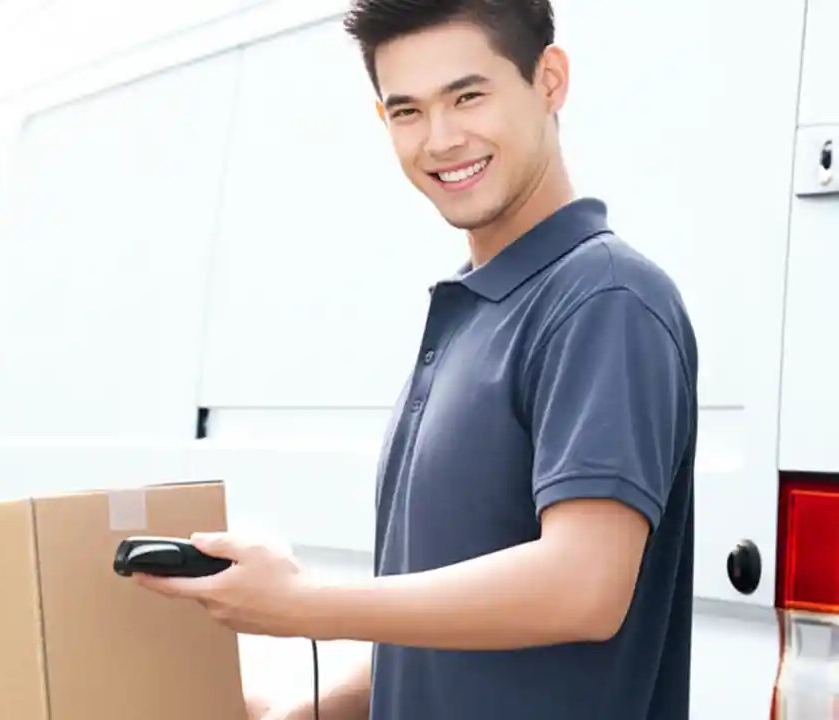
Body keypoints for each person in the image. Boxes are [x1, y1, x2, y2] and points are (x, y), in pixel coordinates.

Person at [135, 0, 698, 718]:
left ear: (549, 80)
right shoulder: (475, 315)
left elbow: (582, 587)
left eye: (468, 96)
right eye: (407, 112)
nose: (440, 140)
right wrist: (308, 712)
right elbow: (452, 616)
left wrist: (304, 605)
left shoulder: (604, 298)